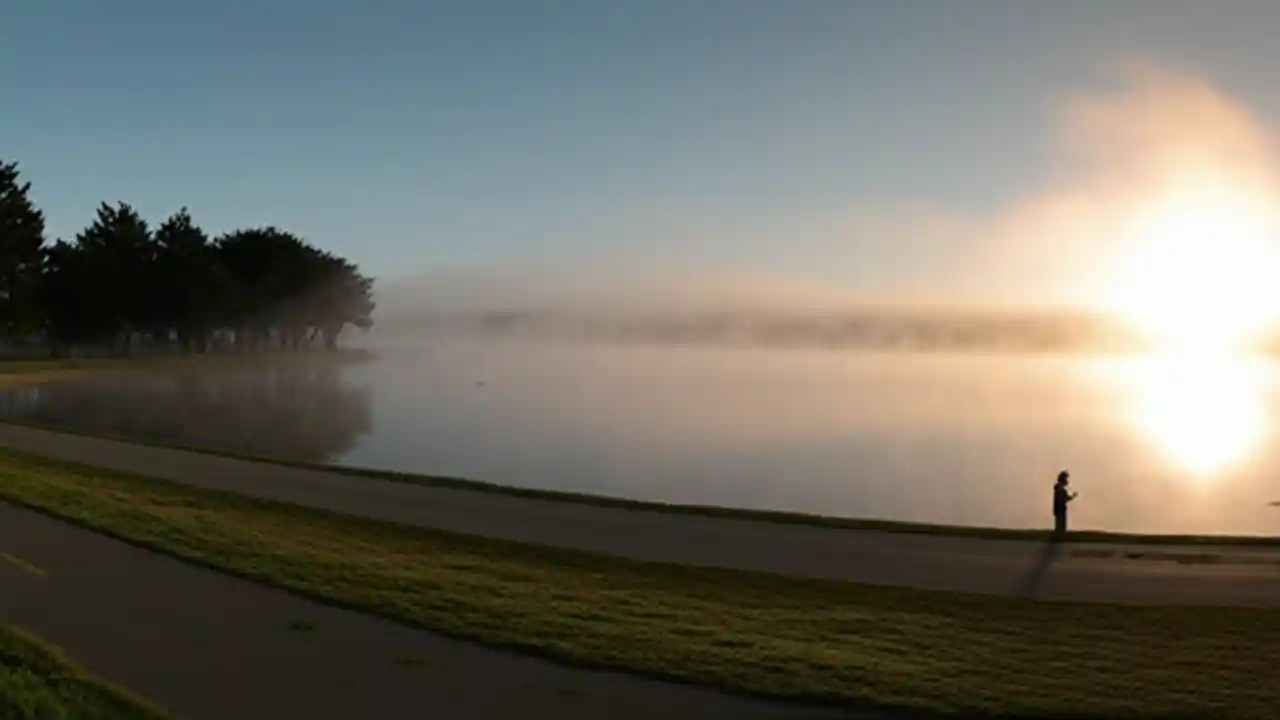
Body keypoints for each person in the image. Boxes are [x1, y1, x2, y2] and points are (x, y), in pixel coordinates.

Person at [1053, 470, 1077, 537]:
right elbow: (1064, 499)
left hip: (1058, 508)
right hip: (1060, 509)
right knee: (1061, 524)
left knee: (1059, 524)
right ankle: (1059, 536)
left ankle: (1058, 536)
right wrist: (1073, 496)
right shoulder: (1060, 489)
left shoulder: (1058, 488)